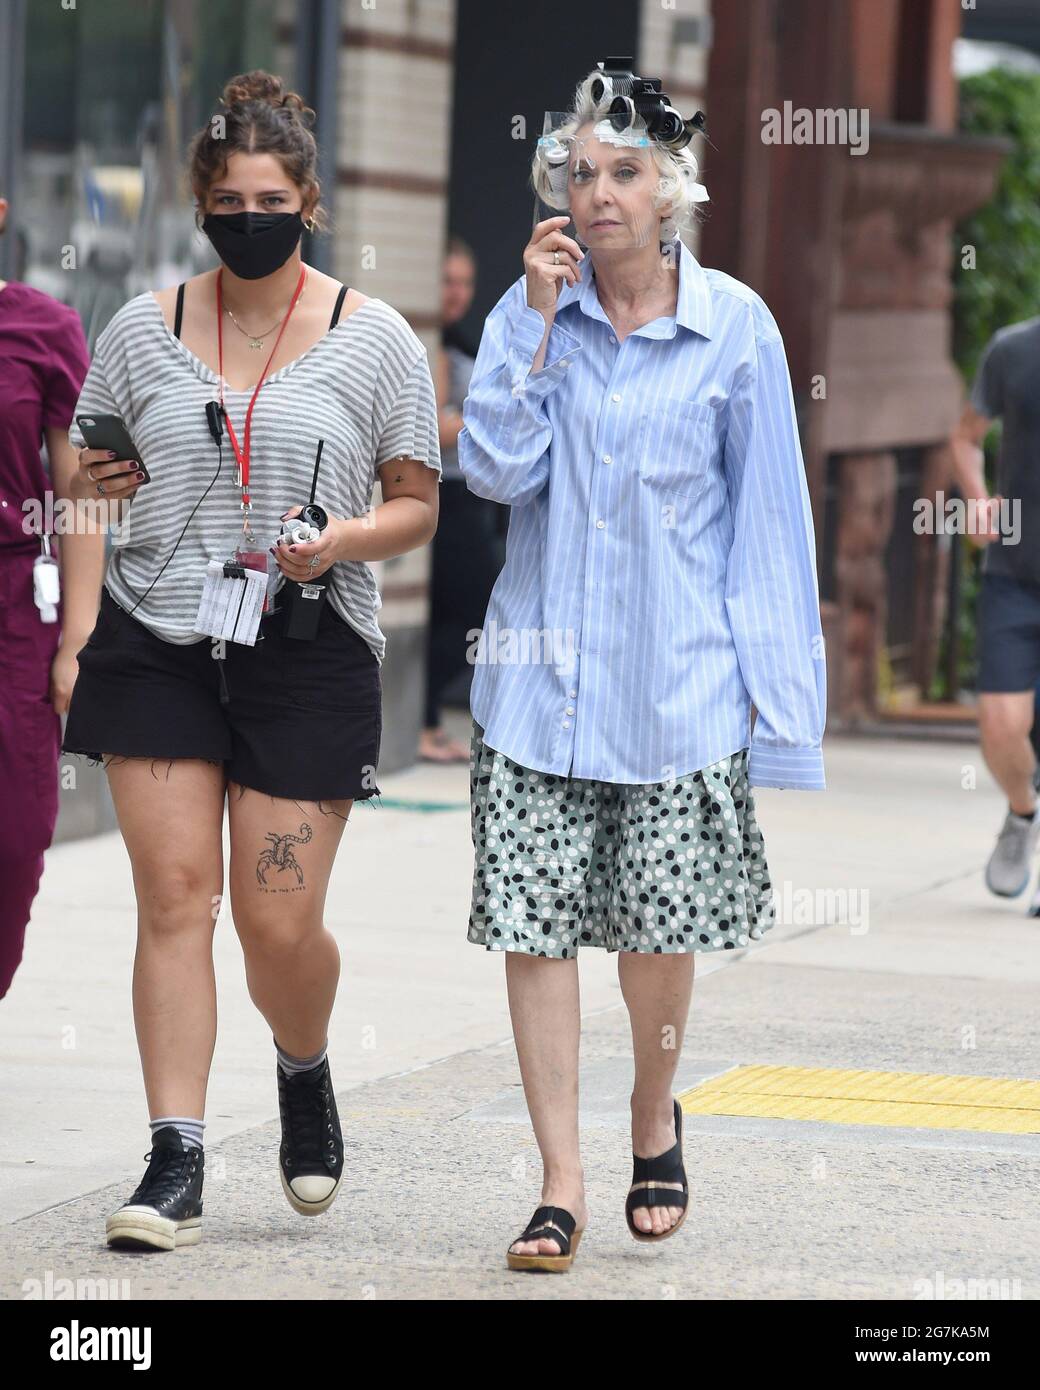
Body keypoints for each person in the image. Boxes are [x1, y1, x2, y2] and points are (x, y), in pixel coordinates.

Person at [59, 70, 441, 1250]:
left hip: (306, 641)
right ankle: (174, 1157)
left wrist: (340, 543)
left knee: (278, 923)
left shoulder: (374, 339)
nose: (248, 215)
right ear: (198, 202)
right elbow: (78, 474)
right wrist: (93, 481)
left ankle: (302, 1061)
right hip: (157, 636)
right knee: (175, 898)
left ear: (310, 201)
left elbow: (417, 504)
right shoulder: (142, 327)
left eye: (270, 196)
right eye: (227, 197)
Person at [458, 63, 826, 1271]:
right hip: (536, 692)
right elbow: (495, 477)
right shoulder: (528, 316)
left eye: (623, 171)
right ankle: (558, 1178)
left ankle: (649, 1114)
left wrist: (782, 720)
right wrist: (534, 327)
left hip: (677, 693)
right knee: (535, 929)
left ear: (670, 191)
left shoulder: (736, 329)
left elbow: (766, 527)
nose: (597, 190)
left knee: (655, 937)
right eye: (579, 169)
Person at [0, 190, 99, 1001]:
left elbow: (81, 493)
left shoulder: (44, 329)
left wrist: (76, 635)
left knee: (20, 827)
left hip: (14, 607)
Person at [950, 317, 1040, 910]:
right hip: (1016, 572)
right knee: (1001, 725)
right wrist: (980, 506)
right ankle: (1022, 811)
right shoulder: (1014, 350)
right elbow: (966, 435)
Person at [419, 237, 505, 762]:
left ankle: (425, 718)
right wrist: (488, 417)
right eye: (447, 280)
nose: (456, 292)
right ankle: (423, 720)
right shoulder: (432, 347)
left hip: (471, 492)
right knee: (468, 607)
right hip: (447, 493)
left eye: (464, 282)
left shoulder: (462, 341)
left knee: (464, 609)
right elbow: (434, 427)